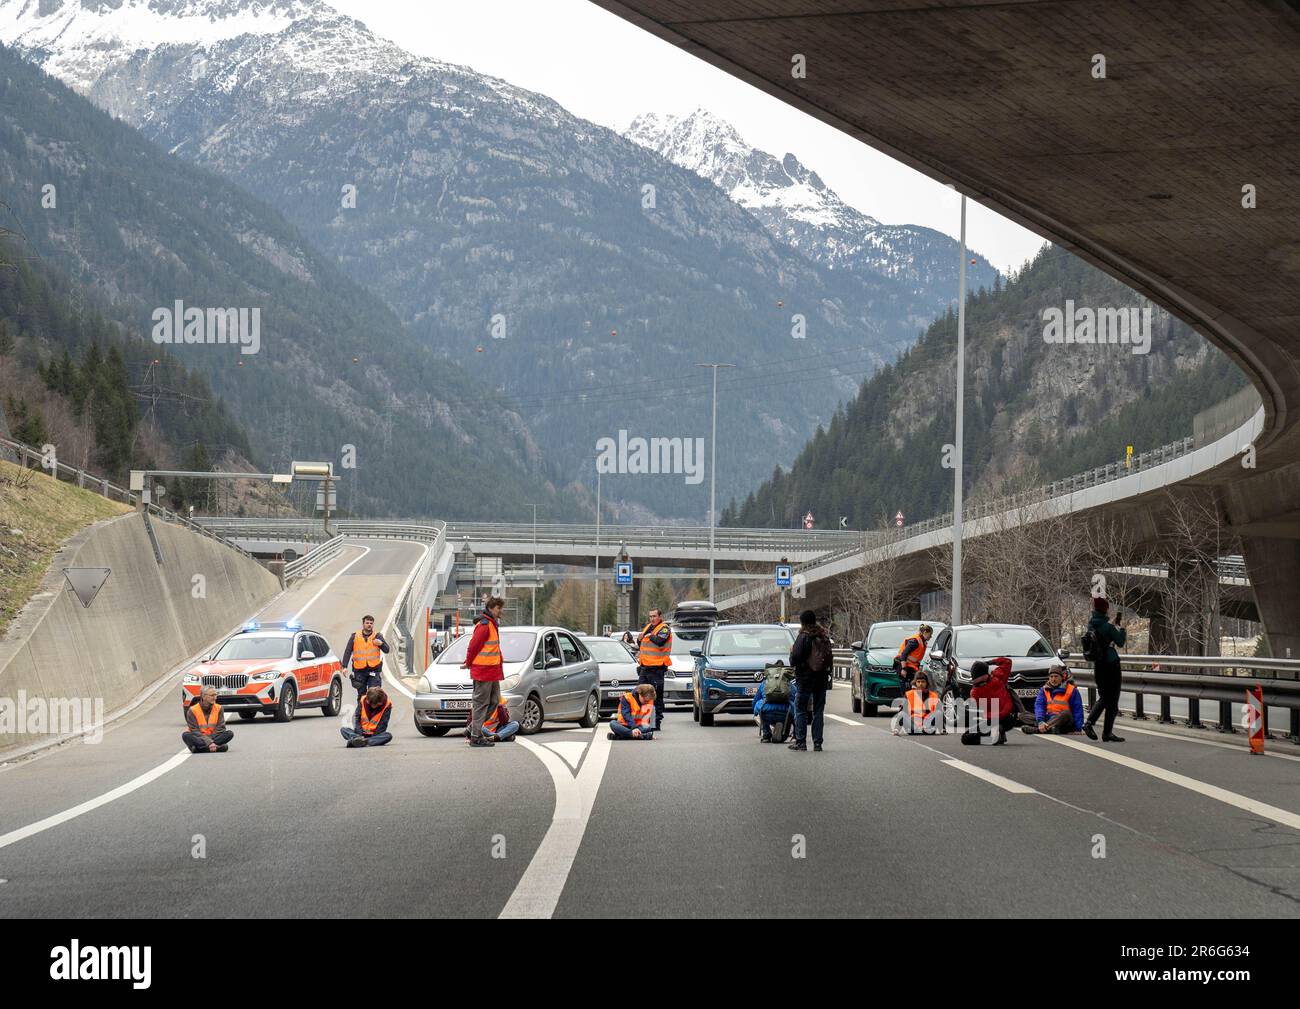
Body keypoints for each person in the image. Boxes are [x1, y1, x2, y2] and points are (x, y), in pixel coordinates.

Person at [463, 596, 506, 747]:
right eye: (499, 608)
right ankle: (476, 736)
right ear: (491, 608)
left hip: (492, 671)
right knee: (481, 703)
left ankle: (472, 728)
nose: (501, 611)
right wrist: (468, 663)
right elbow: (473, 646)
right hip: (483, 671)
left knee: (494, 702)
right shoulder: (484, 625)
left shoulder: (492, 624)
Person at [788, 609, 832, 752]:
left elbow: (794, 659)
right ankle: (817, 743)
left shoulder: (803, 637)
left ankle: (801, 742)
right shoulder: (823, 636)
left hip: (805, 678)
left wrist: (791, 652)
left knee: (800, 708)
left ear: (802, 622)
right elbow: (829, 658)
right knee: (818, 710)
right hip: (822, 677)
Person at [1084, 597, 1126, 742]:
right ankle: (1092, 724)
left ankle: (1105, 732)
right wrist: (1121, 628)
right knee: (1112, 698)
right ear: (1105, 609)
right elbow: (1120, 641)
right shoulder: (1107, 627)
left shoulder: (1091, 625)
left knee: (1104, 697)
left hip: (1098, 665)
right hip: (1111, 664)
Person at [964, 657, 1034, 744]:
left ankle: (994, 734)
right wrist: (989, 662)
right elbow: (1007, 662)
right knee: (968, 737)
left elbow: (982, 711)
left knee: (966, 738)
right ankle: (996, 734)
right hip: (1009, 718)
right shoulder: (998, 677)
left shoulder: (975, 692)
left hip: (998, 719)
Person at [636, 607, 672, 731]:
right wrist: (640, 638)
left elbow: (660, 641)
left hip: (657, 668)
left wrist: (649, 636)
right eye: (650, 616)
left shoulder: (665, 628)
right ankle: (642, 721)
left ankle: (656, 722)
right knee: (640, 694)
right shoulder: (647, 627)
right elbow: (641, 643)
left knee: (656, 696)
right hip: (645, 667)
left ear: (660, 617)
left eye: (654, 616)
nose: (652, 618)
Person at [341, 614, 390, 701]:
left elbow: (387, 650)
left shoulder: (377, 636)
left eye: (371, 623)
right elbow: (347, 651)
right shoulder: (355, 636)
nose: (369, 625)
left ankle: (373, 714)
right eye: (367, 623)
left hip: (374, 671)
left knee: (374, 696)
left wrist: (381, 644)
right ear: (363, 624)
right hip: (359, 671)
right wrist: (344, 667)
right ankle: (359, 714)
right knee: (362, 696)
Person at [1024, 666, 1084, 735]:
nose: (1053, 679)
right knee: (1023, 715)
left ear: (1062, 678)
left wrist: (1078, 728)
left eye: (1056, 676)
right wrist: (1040, 721)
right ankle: (1050, 728)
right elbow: (1039, 706)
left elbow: (1078, 710)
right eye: (1051, 677)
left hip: (1064, 720)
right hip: (1049, 718)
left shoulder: (1072, 690)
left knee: (1066, 713)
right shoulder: (1043, 690)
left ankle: (1038, 730)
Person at [182, 686, 233, 753]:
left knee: (229, 733)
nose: (215, 697)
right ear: (203, 696)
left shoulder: (219, 708)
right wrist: (210, 742)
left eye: (215, 695)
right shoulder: (192, 710)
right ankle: (217, 747)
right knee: (186, 735)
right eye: (212, 695)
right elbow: (195, 731)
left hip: (214, 737)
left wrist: (210, 741)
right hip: (199, 738)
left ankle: (200, 749)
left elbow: (220, 729)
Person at [753, 671, 792, 742]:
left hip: (766, 712)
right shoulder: (788, 684)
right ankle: (788, 735)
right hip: (785, 714)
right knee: (793, 707)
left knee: (760, 707)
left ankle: (766, 735)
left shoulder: (764, 683)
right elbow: (795, 698)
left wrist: (755, 713)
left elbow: (756, 700)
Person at [896, 670, 939, 734]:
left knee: (938, 712)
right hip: (913, 726)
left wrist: (943, 730)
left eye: (923, 682)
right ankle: (896, 730)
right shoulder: (909, 695)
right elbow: (901, 712)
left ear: (927, 683)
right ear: (915, 683)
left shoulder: (933, 696)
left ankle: (924, 729)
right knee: (902, 713)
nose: (920, 684)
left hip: (928, 726)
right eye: (918, 682)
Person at [893, 623, 933, 691]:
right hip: (905, 666)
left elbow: (914, 656)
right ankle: (907, 700)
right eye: (930, 634)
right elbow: (903, 654)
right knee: (906, 690)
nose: (931, 636)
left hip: (912, 667)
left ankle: (914, 700)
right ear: (925, 632)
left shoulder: (922, 641)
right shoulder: (914, 641)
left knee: (913, 687)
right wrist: (903, 669)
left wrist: (915, 661)